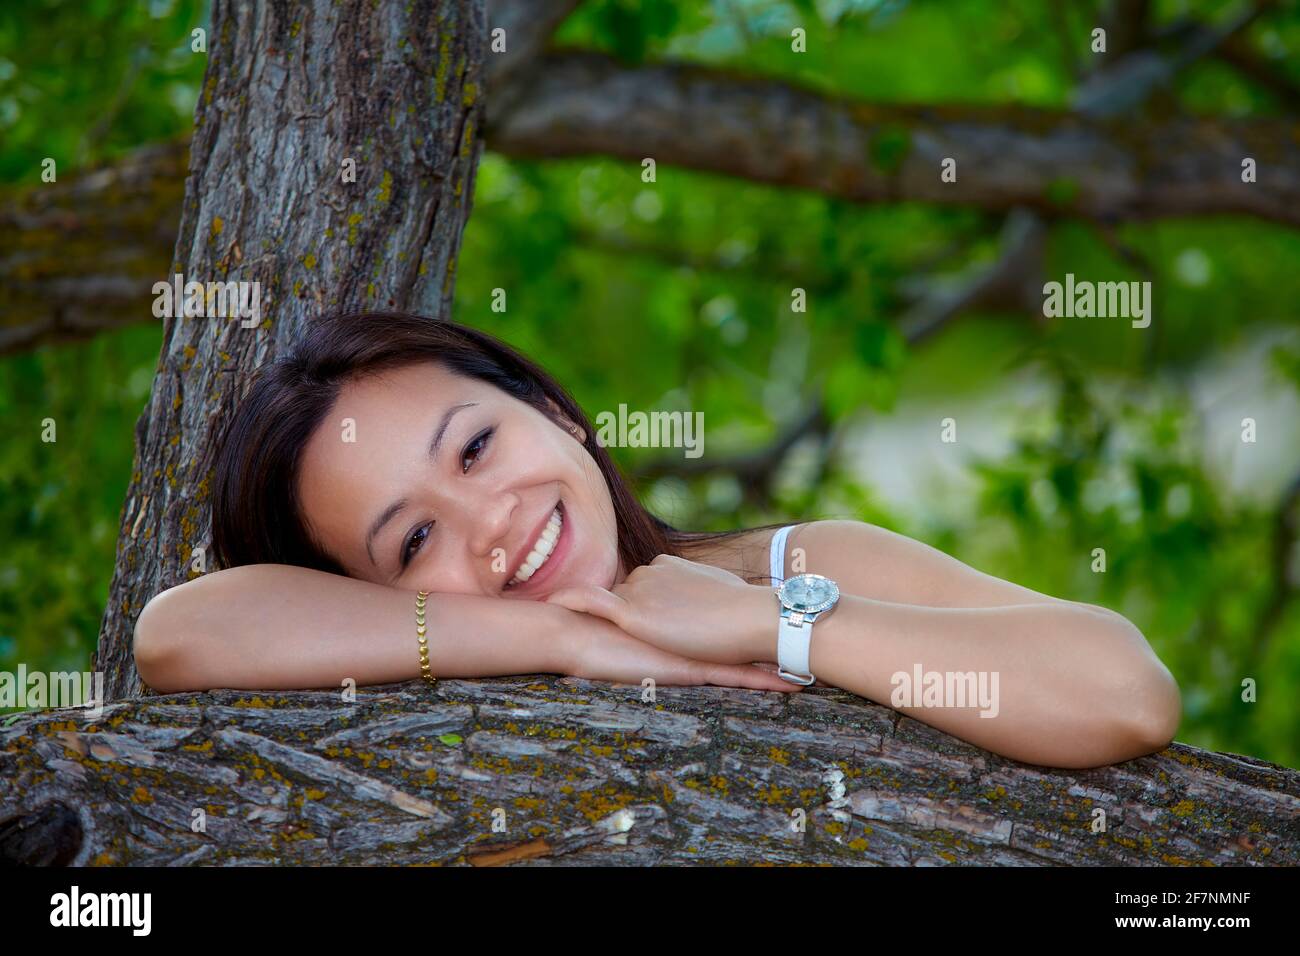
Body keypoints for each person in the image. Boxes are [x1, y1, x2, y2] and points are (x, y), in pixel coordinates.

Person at [133, 310, 1181, 769]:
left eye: (476, 447)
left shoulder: (794, 568)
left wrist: (761, 622)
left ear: (554, 407)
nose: (489, 520)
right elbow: (179, 636)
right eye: (412, 540)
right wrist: (565, 643)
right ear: (367, 593)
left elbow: (1121, 693)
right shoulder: (414, 673)